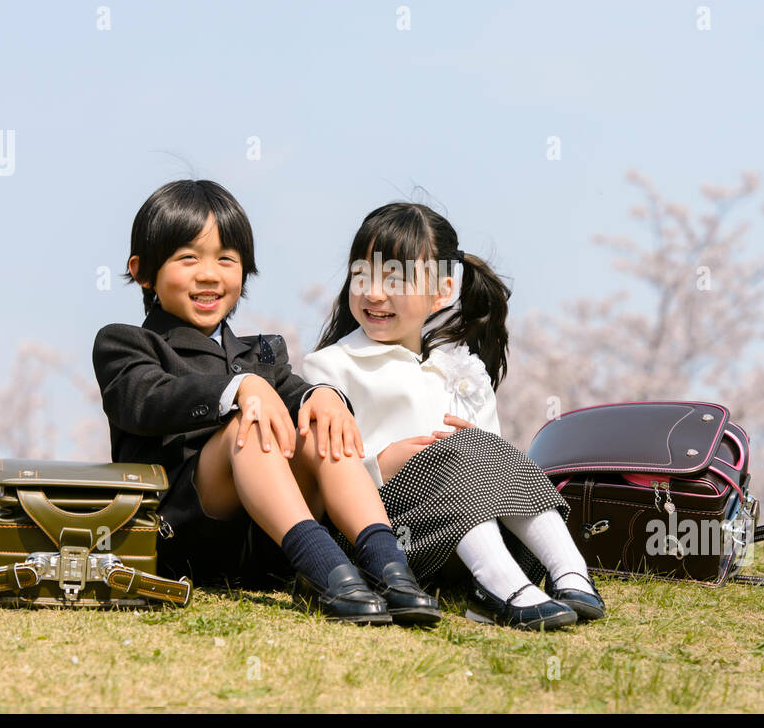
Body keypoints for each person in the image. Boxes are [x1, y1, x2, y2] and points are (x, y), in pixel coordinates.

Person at [92, 179, 439, 625]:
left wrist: (326, 396)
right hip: (184, 535)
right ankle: (327, 570)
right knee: (248, 424)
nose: (209, 274)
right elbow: (142, 398)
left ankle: (391, 569)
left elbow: (296, 394)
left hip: (264, 548)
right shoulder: (128, 343)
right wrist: (237, 391)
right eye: (188, 258)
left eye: (226, 259)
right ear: (143, 271)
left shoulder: (262, 353)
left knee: (320, 422)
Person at [300, 202, 606, 631]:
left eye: (396, 280)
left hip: (476, 545)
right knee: (453, 456)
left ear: (441, 291)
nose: (374, 293)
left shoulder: (463, 366)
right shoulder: (331, 368)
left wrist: (478, 444)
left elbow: (499, 471)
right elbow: (319, 475)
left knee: (484, 446)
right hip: (392, 542)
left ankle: (571, 574)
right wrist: (382, 465)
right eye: (362, 275)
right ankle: (506, 591)